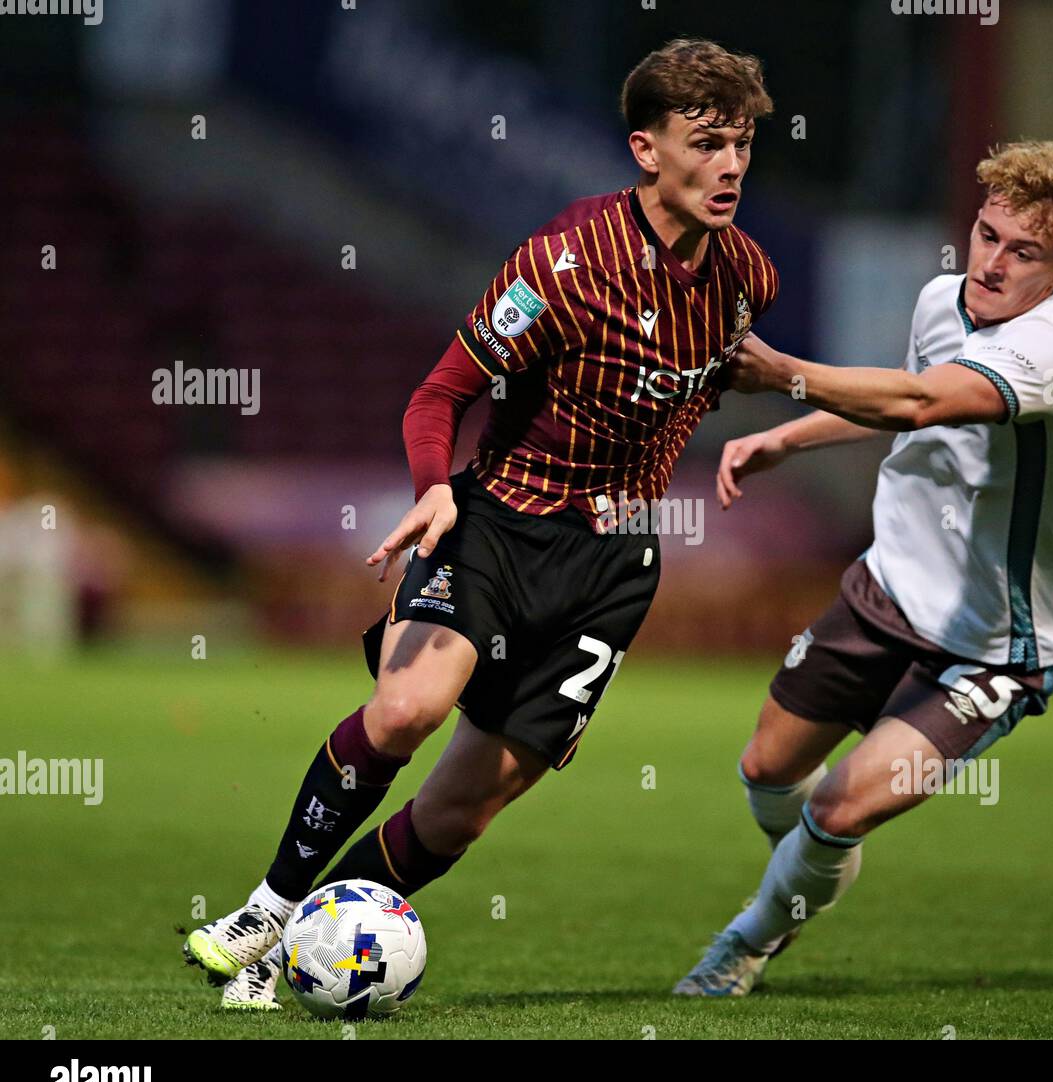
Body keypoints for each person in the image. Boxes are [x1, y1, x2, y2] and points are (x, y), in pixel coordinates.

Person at [185, 37, 780, 1009]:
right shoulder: (563, 261)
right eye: (706, 142)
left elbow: (733, 368)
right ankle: (264, 907)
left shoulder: (745, 280)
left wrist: (818, 417)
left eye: (743, 143)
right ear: (645, 149)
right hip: (496, 523)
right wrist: (433, 487)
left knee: (460, 813)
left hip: (613, 571)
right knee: (407, 708)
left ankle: (291, 951)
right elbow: (438, 394)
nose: (730, 166)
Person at [674, 140, 1053, 996]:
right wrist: (791, 434)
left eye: (1023, 252)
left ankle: (744, 943)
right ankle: (809, 871)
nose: (992, 263)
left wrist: (781, 378)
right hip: (885, 589)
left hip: (994, 643)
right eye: (987, 234)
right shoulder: (942, 299)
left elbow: (926, 401)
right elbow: (906, 394)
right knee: (767, 768)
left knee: (838, 806)